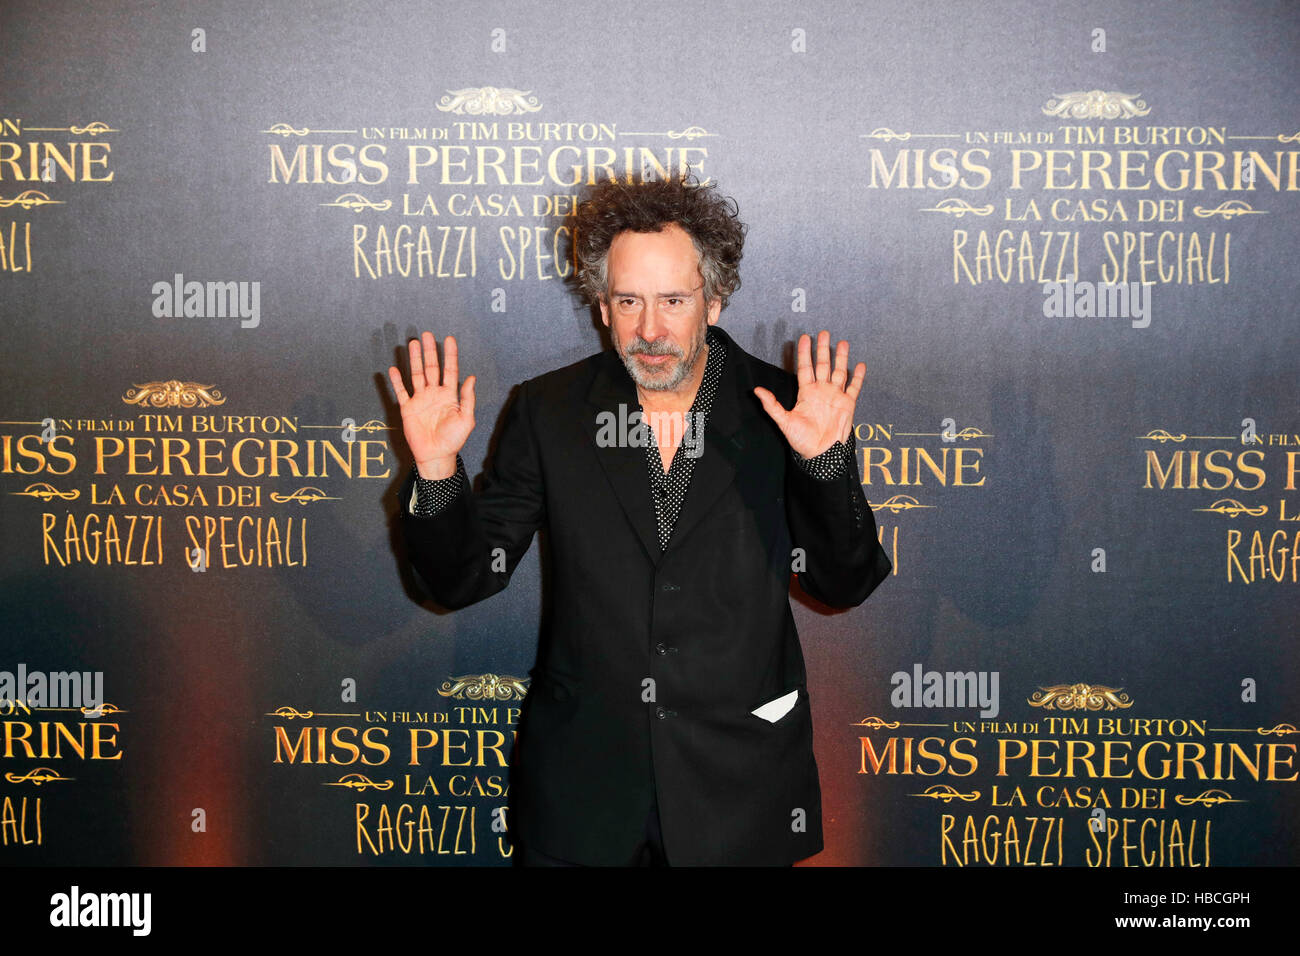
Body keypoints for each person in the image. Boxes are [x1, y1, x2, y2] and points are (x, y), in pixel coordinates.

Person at [388, 171, 891, 866]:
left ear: (715, 300)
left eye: (673, 301)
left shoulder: (791, 410)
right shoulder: (549, 411)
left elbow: (844, 583)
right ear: (602, 307)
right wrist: (437, 471)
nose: (649, 330)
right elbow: (461, 580)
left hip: (740, 788)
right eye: (628, 301)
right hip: (583, 794)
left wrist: (825, 465)